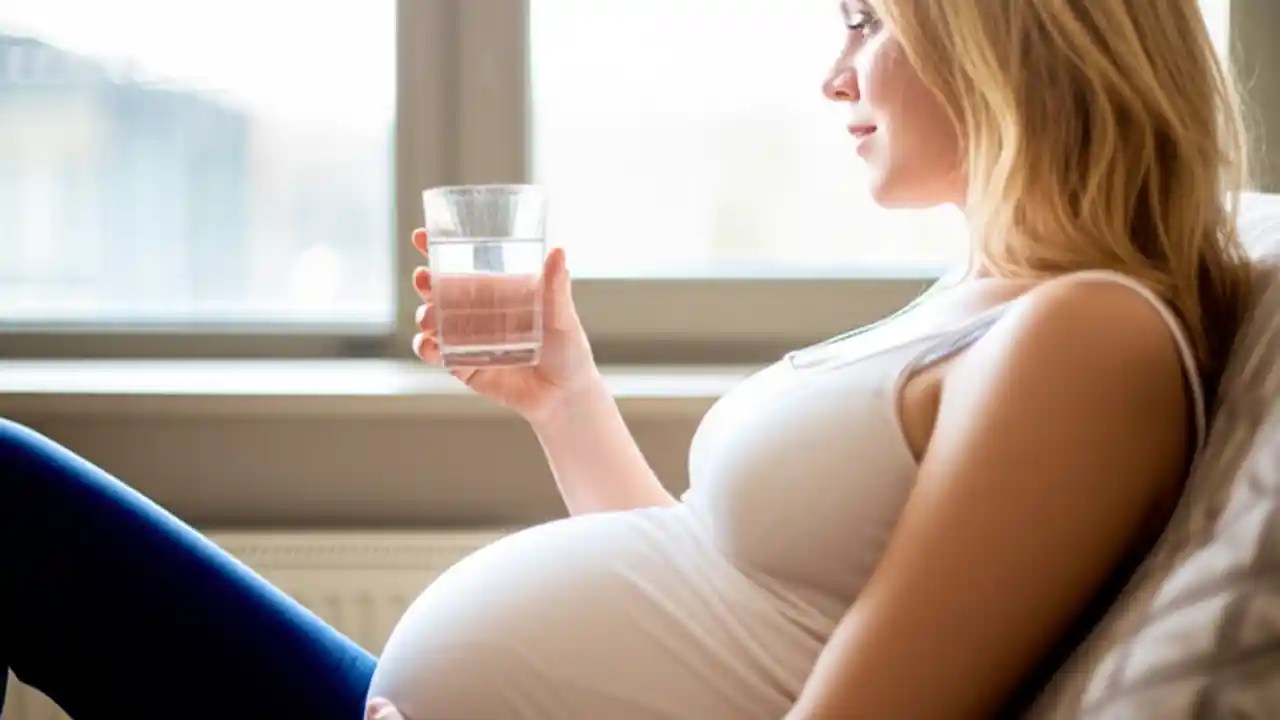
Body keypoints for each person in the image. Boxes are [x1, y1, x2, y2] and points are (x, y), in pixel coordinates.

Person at [0, 1, 1252, 719]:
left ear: (1006, 30)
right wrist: (566, 400)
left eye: (866, 18)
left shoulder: (1091, 340)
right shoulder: (987, 294)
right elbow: (723, 613)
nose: (830, 76)